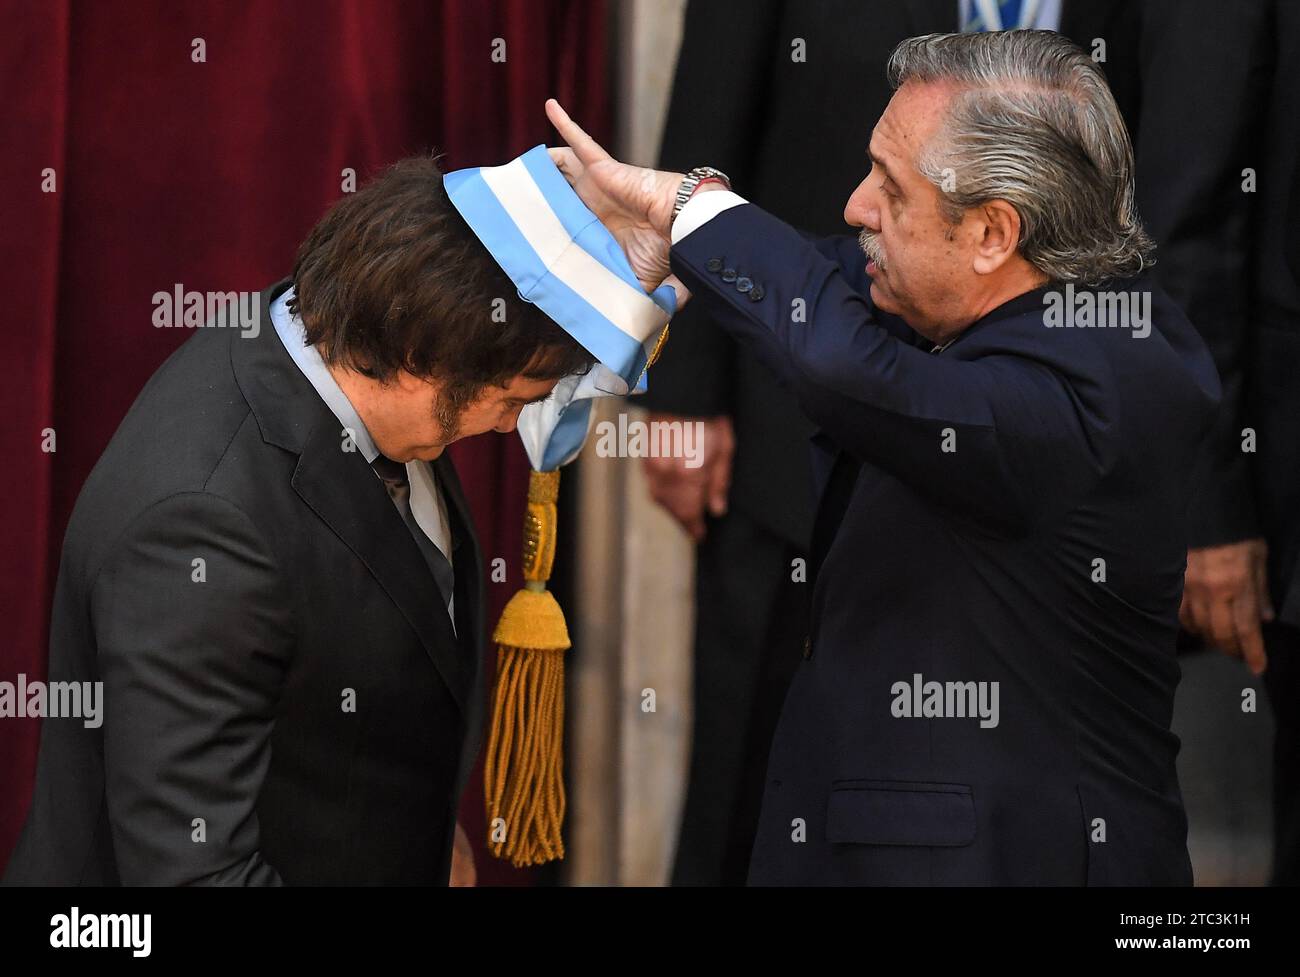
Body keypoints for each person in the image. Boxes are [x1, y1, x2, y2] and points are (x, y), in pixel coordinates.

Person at [546, 27, 1220, 883]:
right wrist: (669, 243)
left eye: (890, 190)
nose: (856, 207)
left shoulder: (1097, 388)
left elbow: (840, 360)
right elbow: (825, 283)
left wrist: (688, 201)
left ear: (992, 233)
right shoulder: (1024, 304)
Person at [4, 157, 592, 885]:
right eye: (509, 400)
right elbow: (198, 877)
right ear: (417, 358)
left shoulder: (342, 340)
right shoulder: (200, 528)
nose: (511, 428)